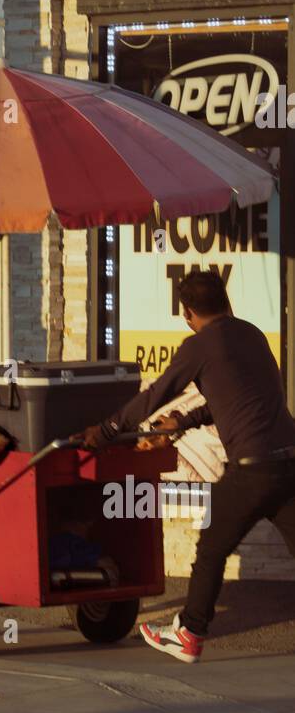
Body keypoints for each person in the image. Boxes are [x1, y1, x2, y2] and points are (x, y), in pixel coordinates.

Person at [76, 269, 295, 663]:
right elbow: (242, 401)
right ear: (226, 302)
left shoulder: (199, 346)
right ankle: (189, 629)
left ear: (188, 312)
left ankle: (190, 632)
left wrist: (107, 431)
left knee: (211, 548)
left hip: (252, 469)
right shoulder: (252, 334)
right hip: (289, 462)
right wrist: (186, 421)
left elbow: (157, 394)